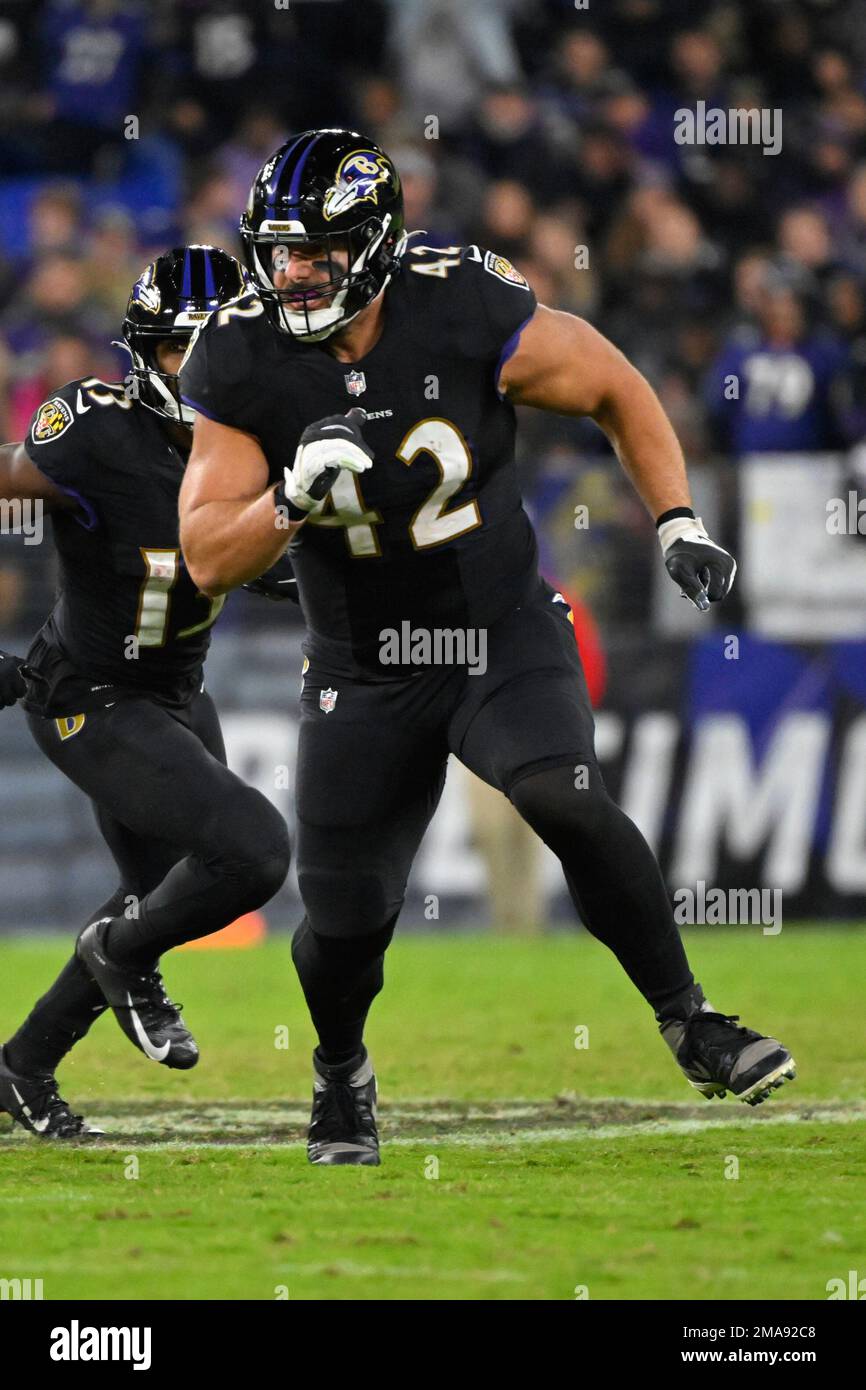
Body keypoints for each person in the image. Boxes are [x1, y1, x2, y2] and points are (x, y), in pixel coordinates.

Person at [178, 130, 795, 1166]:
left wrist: (676, 518)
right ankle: (339, 1071)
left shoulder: (460, 302)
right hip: (359, 667)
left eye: (317, 250)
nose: (291, 273)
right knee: (343, 923)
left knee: (560, 794)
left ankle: (689, 1018)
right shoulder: (240, 354)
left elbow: (612, 383)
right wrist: (287, 500)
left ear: (372, 245)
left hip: (494, 628)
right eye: (278, 250)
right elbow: (205, 557)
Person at [0, 246, 292, 1139]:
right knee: (253, 850)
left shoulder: (262, 440)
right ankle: (125, 960)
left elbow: (290, 563)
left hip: (176, 692)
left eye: (214, 347)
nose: (198, 369)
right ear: (143, 356)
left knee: (156, 890)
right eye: (180, 349)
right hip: (88, 694)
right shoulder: (94, 433)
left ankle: (22, 1066)